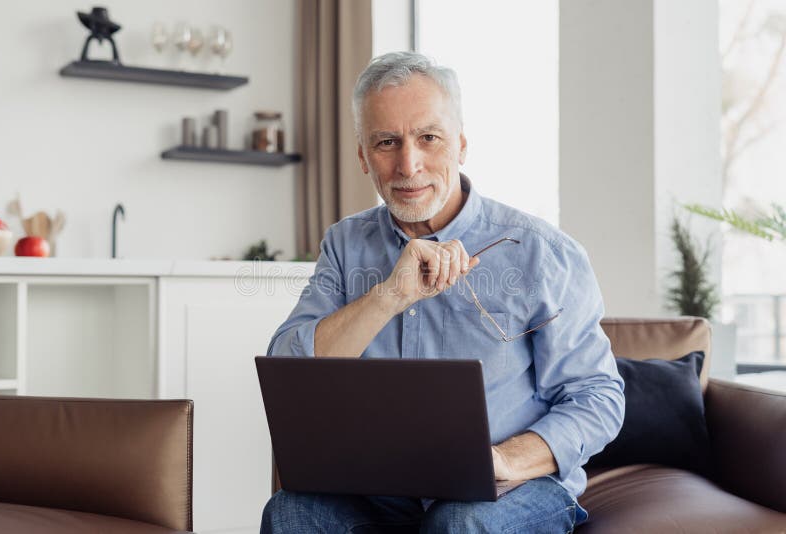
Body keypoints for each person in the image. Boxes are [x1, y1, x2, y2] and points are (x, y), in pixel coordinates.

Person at [261, 51, 624, 533]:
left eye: (428, 138)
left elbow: (597, 397)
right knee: (290, 513)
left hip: (510, 489)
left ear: (461, 145)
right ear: (363, 157)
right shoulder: (346, 246)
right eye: (386, 142)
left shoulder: (543, 253)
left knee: (459, 522)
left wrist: (505, 461)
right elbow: (290, 370)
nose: (407, 164)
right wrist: (389, 295)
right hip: (376, 492)